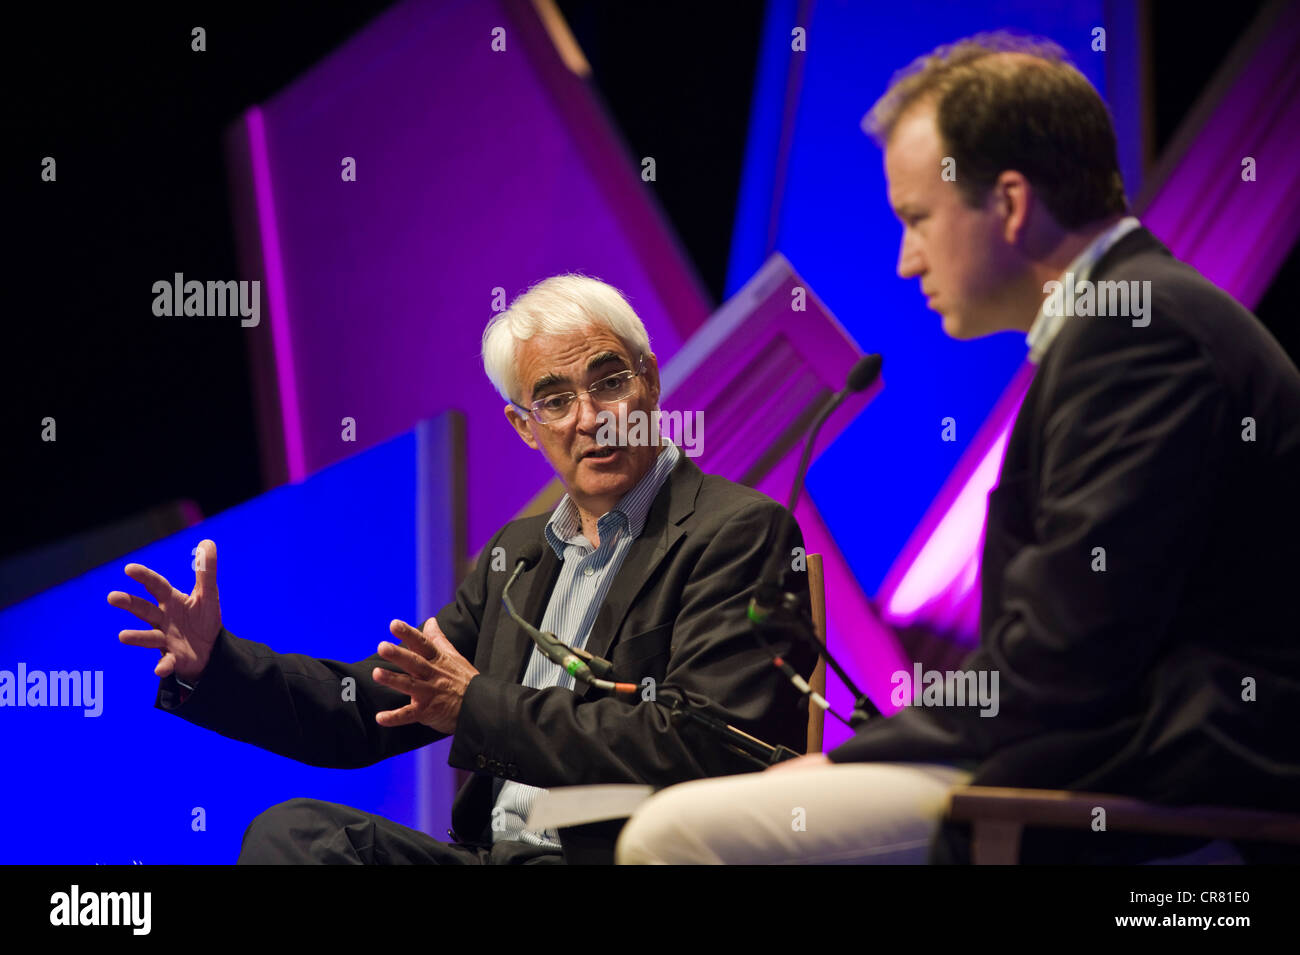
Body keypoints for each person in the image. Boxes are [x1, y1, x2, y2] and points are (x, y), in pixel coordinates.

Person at [615, 31, 1300, 865]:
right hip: (1114, 755)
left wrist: (858, 756)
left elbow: (1066, 660)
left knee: (671, 833)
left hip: (1163, 779)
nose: (906, 261)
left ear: (1009, 204)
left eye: (916, 218)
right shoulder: (1129, 317)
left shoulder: (1137, 330)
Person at [107, 274, 816, 864]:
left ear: (651, 383)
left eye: (608, 380)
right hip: (494, 855)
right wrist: (214, 664)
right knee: (296, 839)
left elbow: (707, 747)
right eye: (556, 399)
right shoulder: (522, 558)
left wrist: (475, 704)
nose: (591, 416)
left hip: (624, 857)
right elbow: (366, 706)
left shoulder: (737, 531)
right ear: (524, 426)